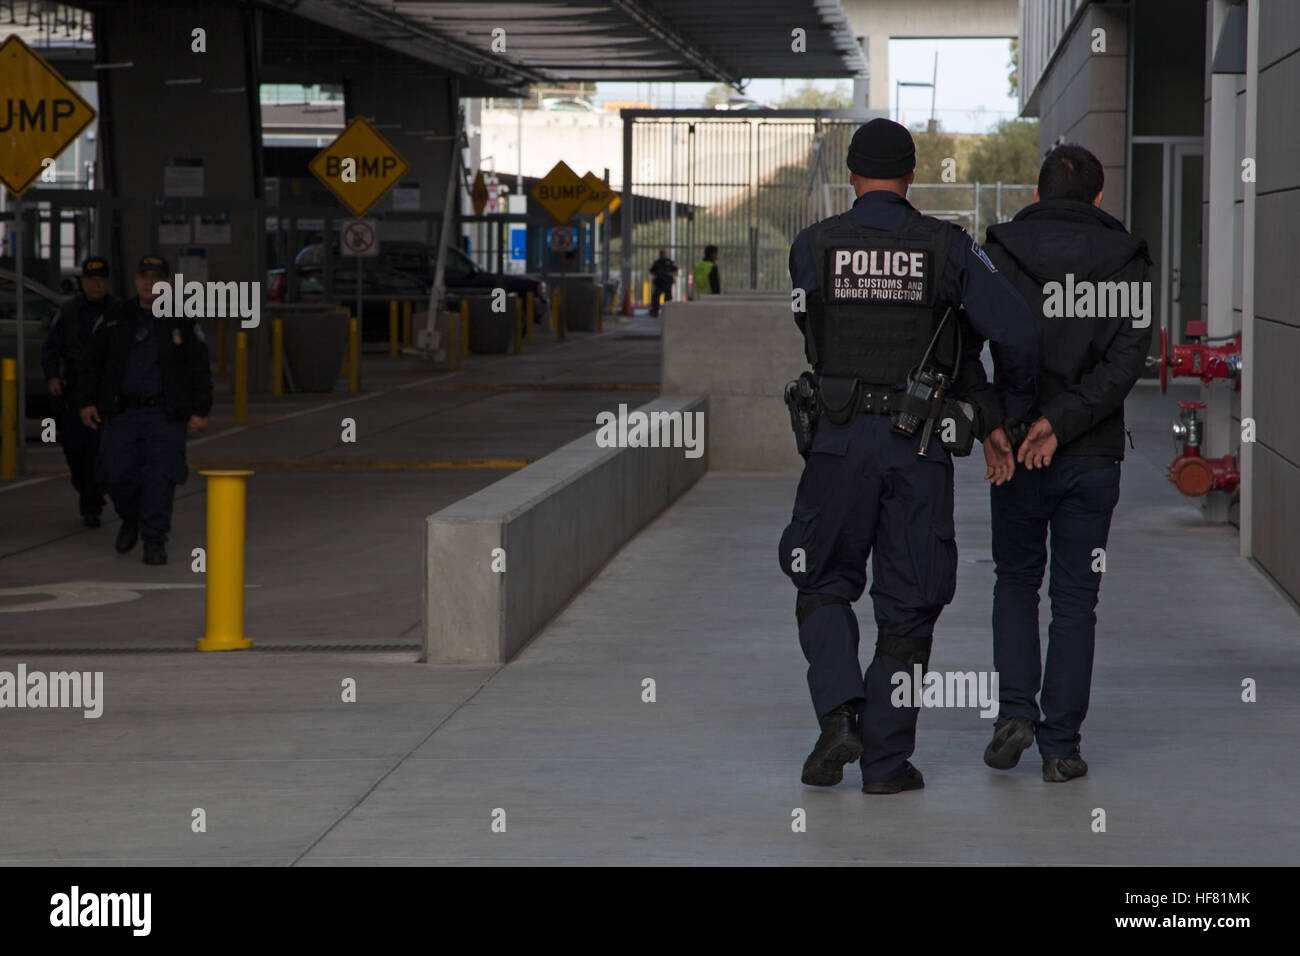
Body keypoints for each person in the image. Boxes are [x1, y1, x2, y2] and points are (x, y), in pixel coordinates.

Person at [780, 118, 1042, 794]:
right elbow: (1016, 326)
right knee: (909, 604)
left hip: (836, 443)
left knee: (820, 579)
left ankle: (840, 713)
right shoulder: (946, 247)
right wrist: (988, 406)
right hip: (916, 441)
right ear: (912, 175)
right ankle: (887, 764)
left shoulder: (813, 245)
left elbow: (812, 325)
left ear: (850, 174)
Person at [978, 144, 1152, 783]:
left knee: (1016, 581)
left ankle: (1014, 714)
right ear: (1100, 199)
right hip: (1091, 454)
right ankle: (1061, 748)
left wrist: (1004, 423)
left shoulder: (1000, 253)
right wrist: (1067, 420)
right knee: (1077, 597)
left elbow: (970, 345)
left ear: (1039, 191)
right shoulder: (1128, 259)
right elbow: (1128, 362)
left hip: (1018, 450)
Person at [74, 255, 212, 566]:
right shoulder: (115, 317)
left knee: (160, 479)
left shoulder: (182, 320)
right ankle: (131, 518)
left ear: (169, 283)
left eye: (156, 277)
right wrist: (86, 401)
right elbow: (90, 363)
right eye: (144, 276)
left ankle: (154, 540)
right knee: (114, 474)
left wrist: (201, 409)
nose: (149, 282)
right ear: (135, 280)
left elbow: (199, 367)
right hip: (122, 413)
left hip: (164, 415)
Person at [42, 256, 115, 526]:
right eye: (90, 280)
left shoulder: (118, 312)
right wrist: (52, 376)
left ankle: (92, 503)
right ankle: (87, 491)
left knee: (102, 451)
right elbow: (50, 348)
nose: (96, 285)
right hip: (73, 392)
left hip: (106, 393)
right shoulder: (70, 312)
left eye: (100, 280)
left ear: (107, 282)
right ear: (82, 282)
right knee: (75, 451)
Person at [648, 248, 678, 316]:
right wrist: (657, 274)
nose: (663, 255)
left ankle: (667, 311)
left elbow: (675, 270)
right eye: (662, 254)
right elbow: (652, 271)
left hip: (667, 282)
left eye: (664, 254)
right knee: (656, 297)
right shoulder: (657, 262)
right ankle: (655, 310)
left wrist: (669, 274)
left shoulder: (670, 262)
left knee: (668, 297)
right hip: (659, 282)